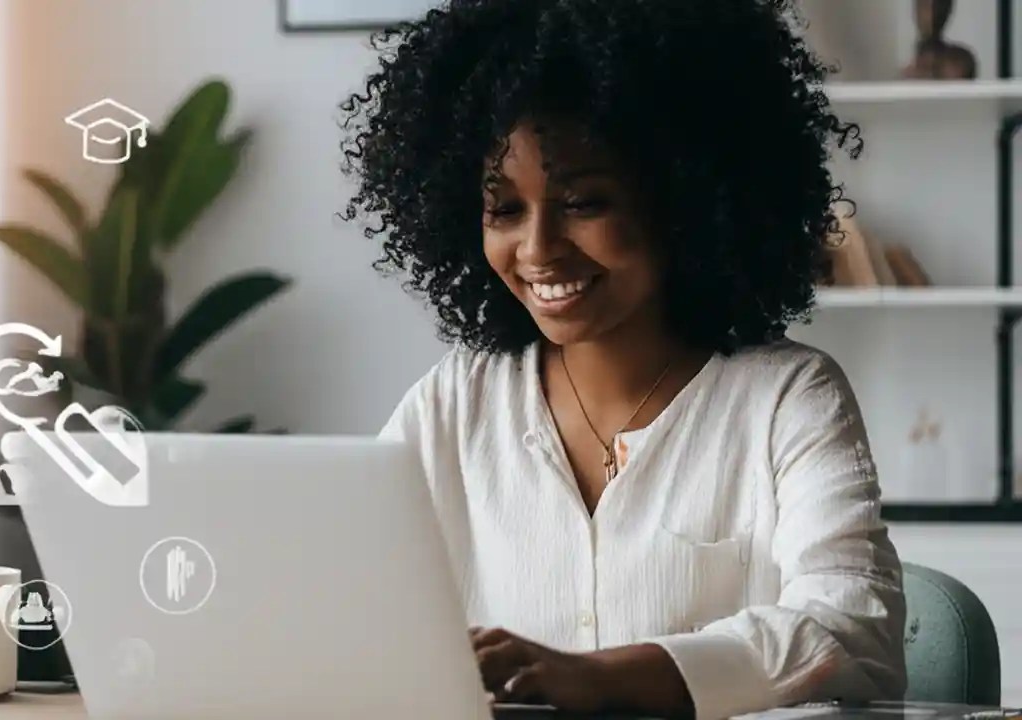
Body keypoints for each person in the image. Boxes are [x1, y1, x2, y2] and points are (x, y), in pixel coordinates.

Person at [340, 1, 906, 718]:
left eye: (582, 201)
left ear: (685, 199)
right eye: (504, 210)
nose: (539, 249)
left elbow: (856, 635)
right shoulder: (456, 402)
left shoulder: (786, 398)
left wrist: (606, 677)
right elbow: (342, 610)